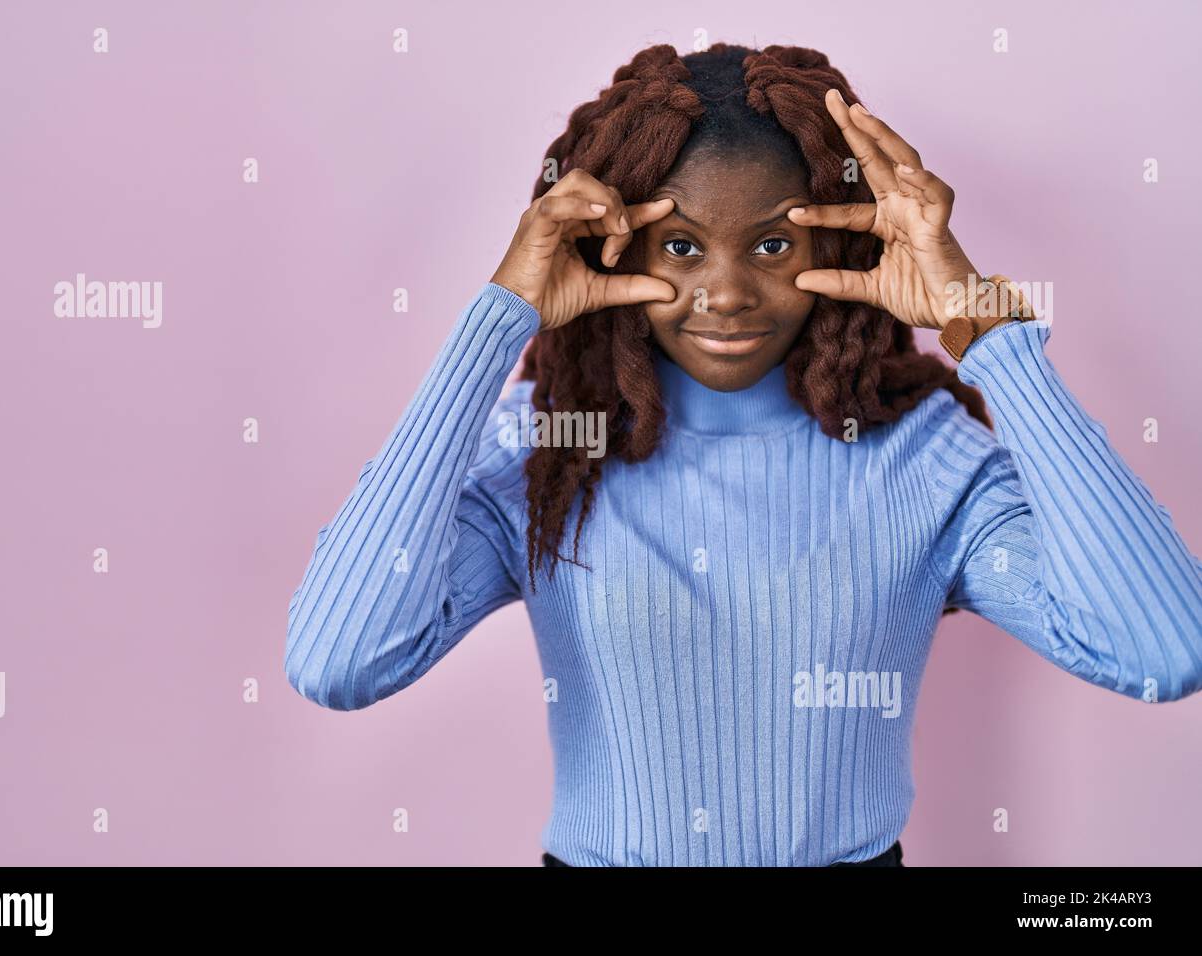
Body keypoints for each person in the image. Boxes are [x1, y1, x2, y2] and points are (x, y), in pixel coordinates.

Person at [285, 42, 1202, 866]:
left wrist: (984, 329)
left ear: (837, 241)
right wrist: (498, 322)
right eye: (679, 246)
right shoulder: (551, 451)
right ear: (614, 250)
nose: (725, 295)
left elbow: (1159, 648)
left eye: (772, 244)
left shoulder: (924, 459)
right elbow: (343, 661)